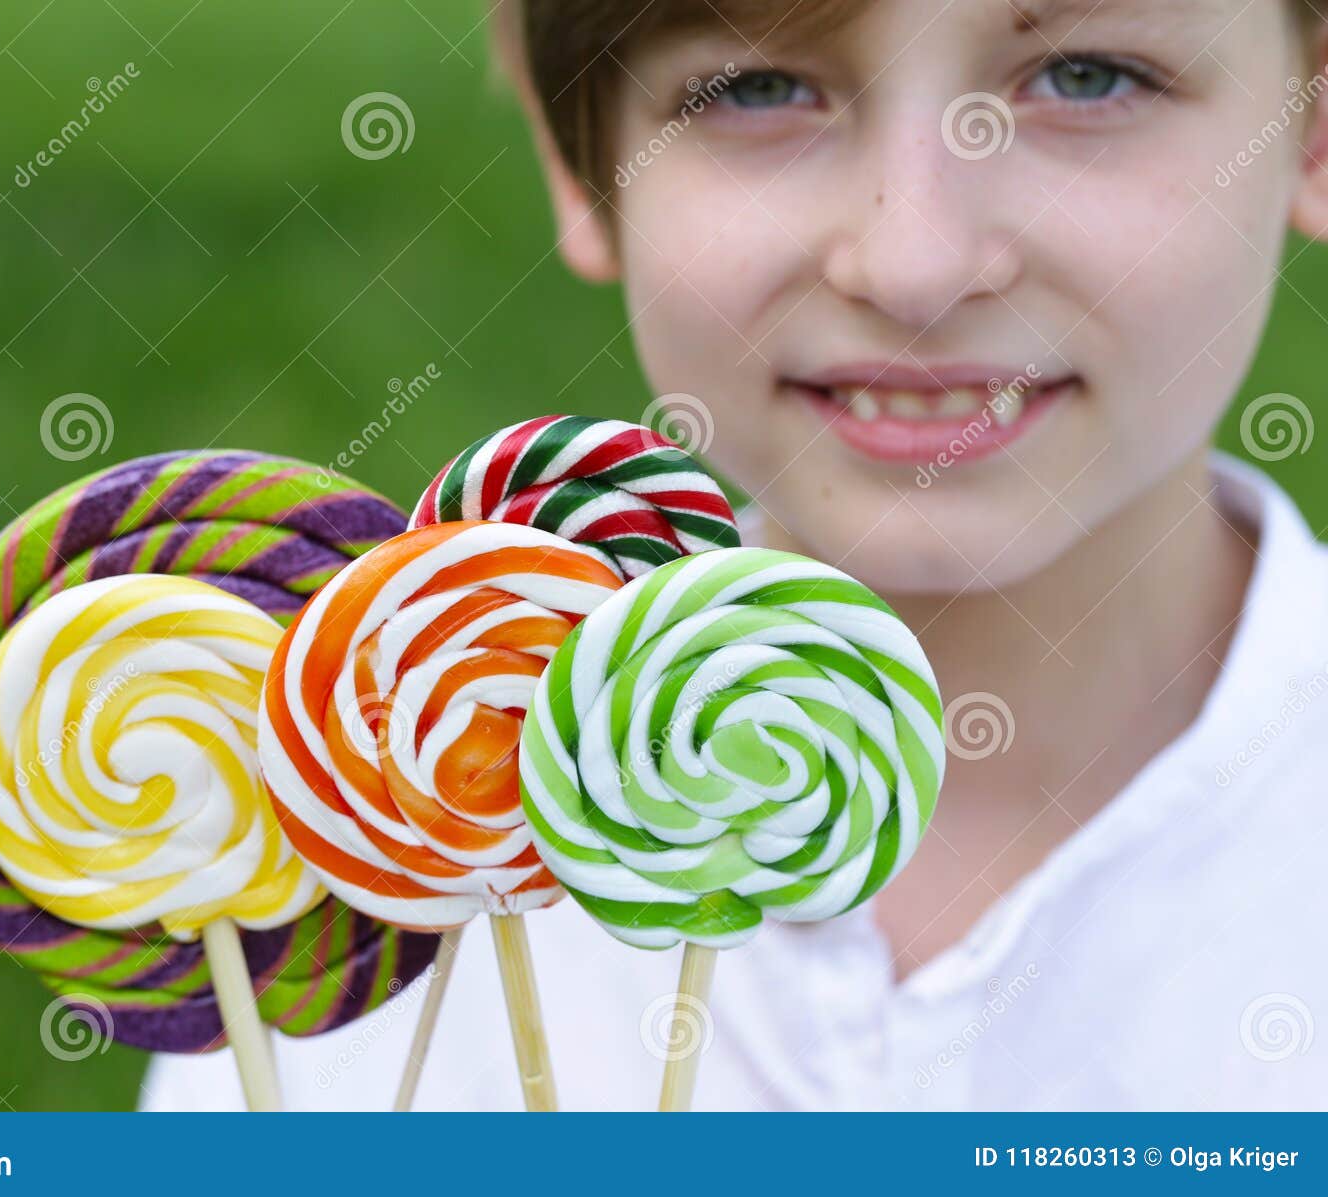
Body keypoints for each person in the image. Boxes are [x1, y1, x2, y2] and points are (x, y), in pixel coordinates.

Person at [144, 0, 1328, 1110]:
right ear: (580, 157)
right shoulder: (341, 855)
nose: (913, 260)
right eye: (755, 87)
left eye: (1087, 76)